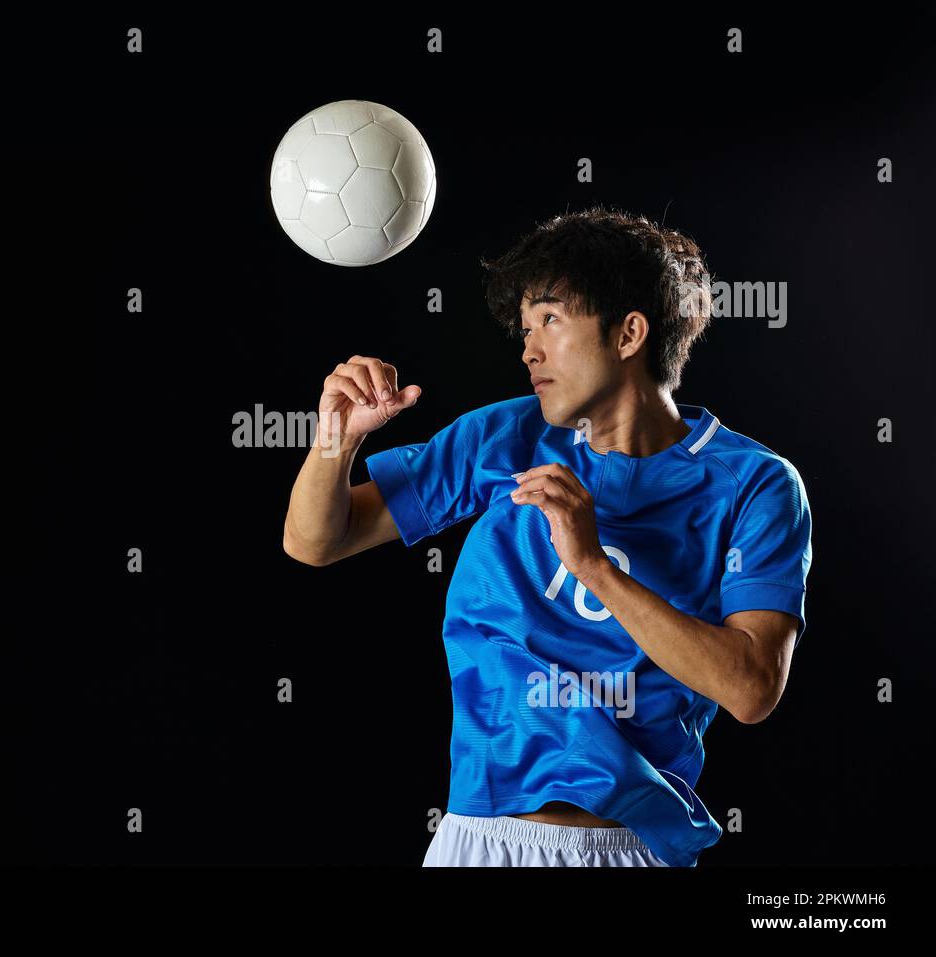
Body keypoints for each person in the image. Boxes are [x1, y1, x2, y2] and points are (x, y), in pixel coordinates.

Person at [282, 206, 812, 867]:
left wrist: (593, 565)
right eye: (525, 328)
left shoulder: (756, 483)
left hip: (630, 847)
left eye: (551, 320)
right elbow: (317, 541)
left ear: (629, 333)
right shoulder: (504, 435)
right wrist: (338, 437)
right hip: (480, 838)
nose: (528, 350)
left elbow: (753, 689)